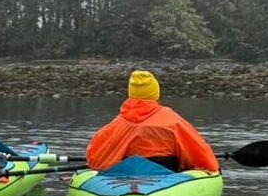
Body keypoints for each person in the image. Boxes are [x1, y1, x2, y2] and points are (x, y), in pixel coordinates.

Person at [86, 70, 219, 172]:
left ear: (131, 93)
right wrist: (211, 168)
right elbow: (204, 159)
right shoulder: (172, 121)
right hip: (165, 176)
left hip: (127, 176)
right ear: (155, 93)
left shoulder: (118, 124)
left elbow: (94, 160)